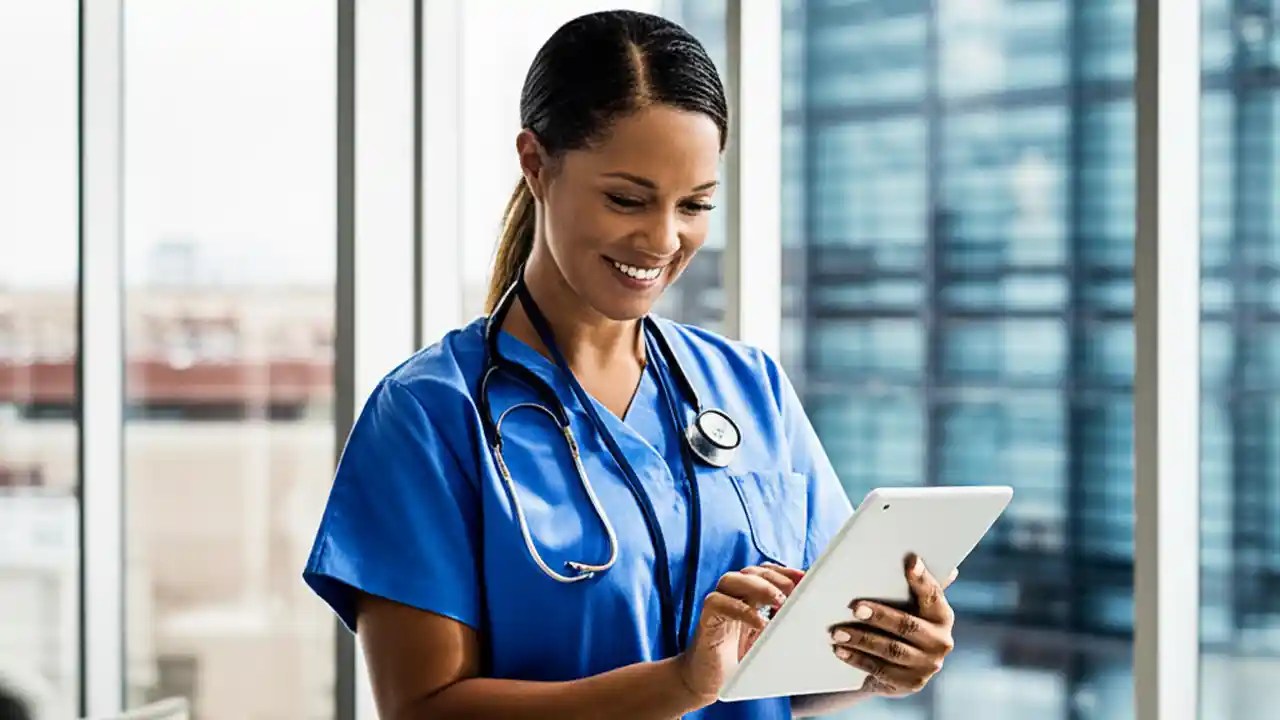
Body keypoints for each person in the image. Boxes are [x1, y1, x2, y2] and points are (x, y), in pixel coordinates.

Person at [303, 10, 958, 719]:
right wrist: (678, 686)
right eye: (627, 199)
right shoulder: (430, 413)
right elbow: (423, 709)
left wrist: (882, 662)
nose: (663, 239)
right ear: (535, 164)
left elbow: (795, 671)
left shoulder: (750, 388)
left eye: (695, 205)